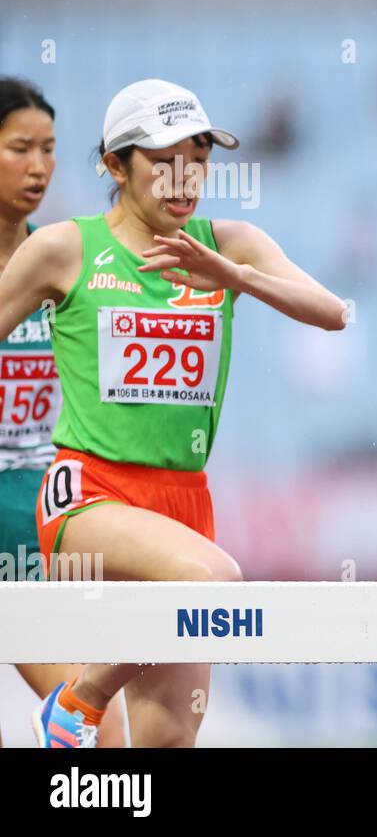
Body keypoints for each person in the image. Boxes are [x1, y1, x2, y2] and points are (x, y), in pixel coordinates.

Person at [0, 78, 348, 747]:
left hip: (183, 503)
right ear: (113, 166)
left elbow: (333, 313)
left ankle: (83, 711)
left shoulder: (231, 242)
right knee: (217, 581)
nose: (183, 179)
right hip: (88, 499)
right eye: (162, 163)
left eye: (199, 160)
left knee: (165, 745)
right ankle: (80, 697)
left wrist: (235, 277)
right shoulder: (67, 248)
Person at [0, 77, 128, 747]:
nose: (40, 165)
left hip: (53, 515)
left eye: (50, 149)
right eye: (20, 148)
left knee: (101, 734)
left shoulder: (62, 256)